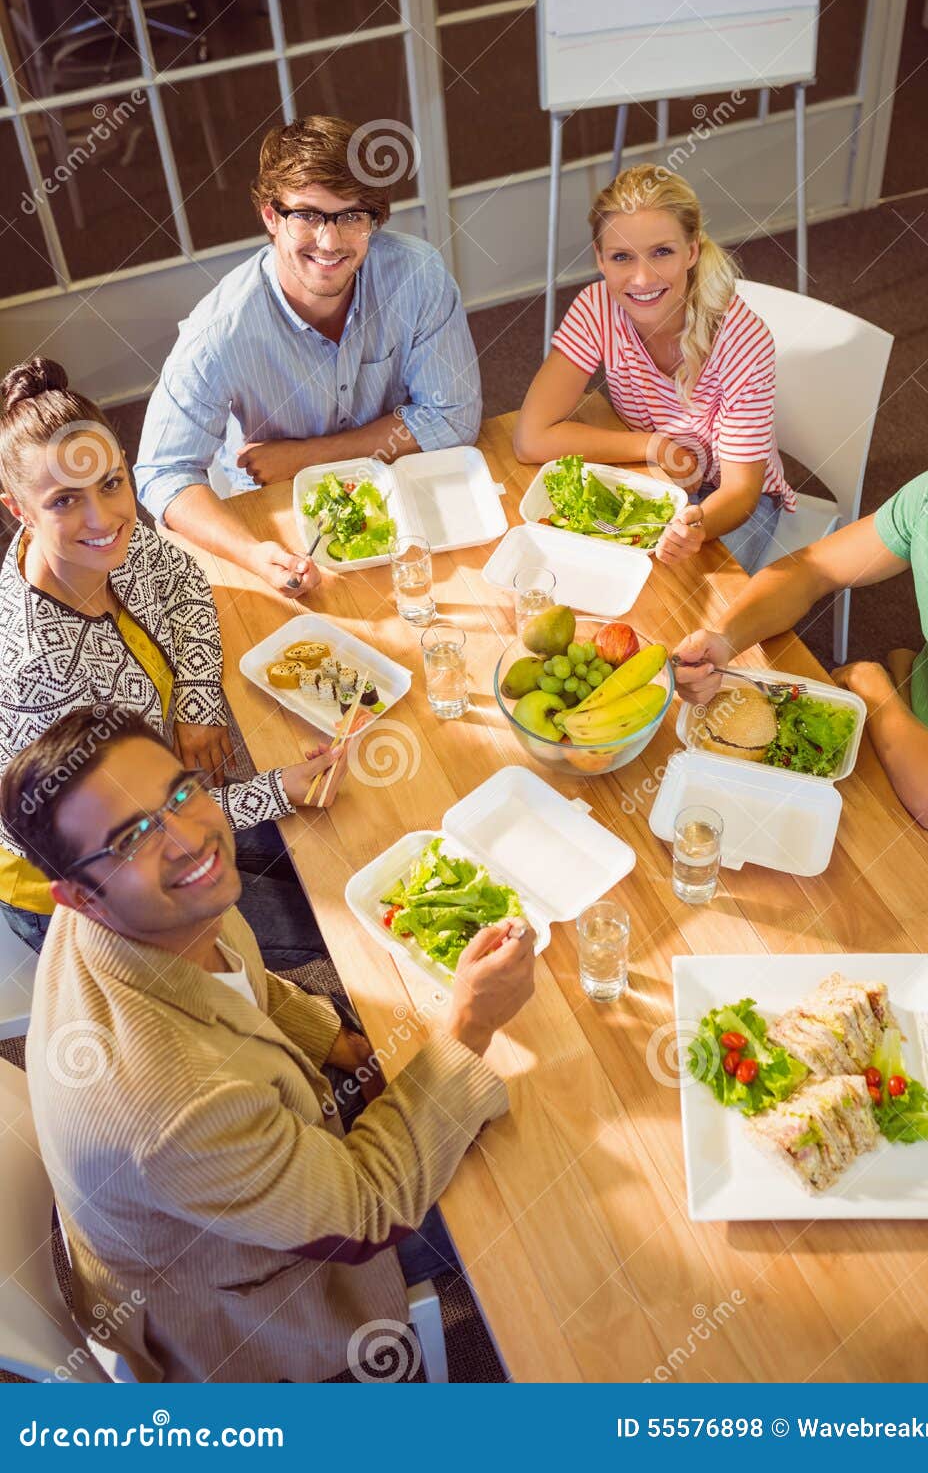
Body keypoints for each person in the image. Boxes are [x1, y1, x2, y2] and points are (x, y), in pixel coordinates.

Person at [3, 708, 534, 1382]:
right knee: (523, 1193)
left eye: (179, 793)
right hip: (262, 1296)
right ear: (76, 895)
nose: (187, 839)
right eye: (133, 836)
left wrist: (348, 1047)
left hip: (231, 1176)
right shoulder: (169, 1108)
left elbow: (246, 983)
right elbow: (365, 1213)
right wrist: (470, 1027)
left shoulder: (132, 911)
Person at [673, 342, 928, 888]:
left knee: (827, 889)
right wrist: (723, 638)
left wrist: (870, 685)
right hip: (914, 717)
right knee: (725, 801)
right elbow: (810, 569)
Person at [0, 357, 340, 964]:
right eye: (64, 501)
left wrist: (196, 700)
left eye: (111, 483)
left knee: (333, 849)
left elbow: (184, 580)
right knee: (325, 925)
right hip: (97, 877)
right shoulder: (39, 674)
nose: (103, 519)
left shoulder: (109, 539)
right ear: (18, 509)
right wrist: (275, 789)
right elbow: (135, 836)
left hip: (157, 786)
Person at [134, 115, 482, 597]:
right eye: (307, 216)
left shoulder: (418, 275)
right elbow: (163, 474)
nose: (330, 242)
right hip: (274, 511)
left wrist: (303, 457)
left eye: (351, 216)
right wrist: (253, 553)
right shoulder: (218, 331)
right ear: (271, 217)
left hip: (397, 488)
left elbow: (454, 415)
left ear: (374, 220)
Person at [514, 165, 795, 573]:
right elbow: (530, 439)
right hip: (655, 473)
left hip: (731, 500)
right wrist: (653, 446)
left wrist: (693, 527)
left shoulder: (743, 340)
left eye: (662, 252)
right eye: (622, 257)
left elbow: (741, 492)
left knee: (675, 595)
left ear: (692, 251)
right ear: (600, 259)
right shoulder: (596, 307)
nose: (642, 278)